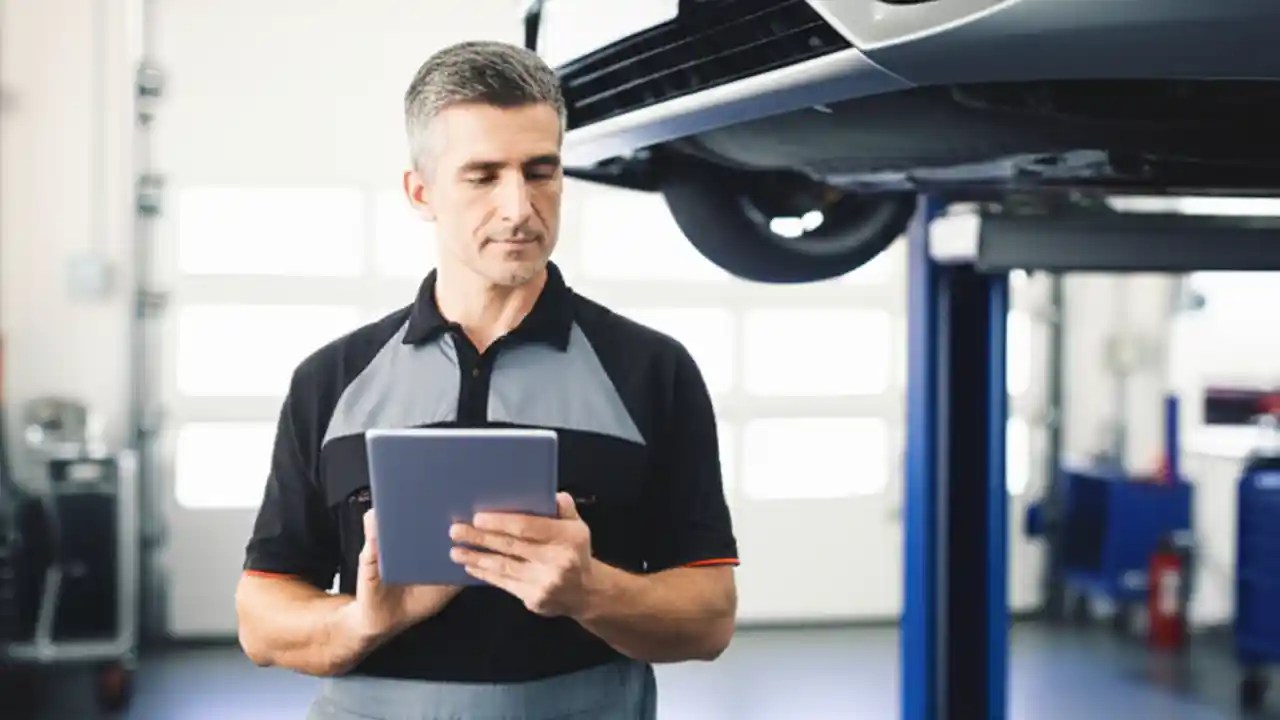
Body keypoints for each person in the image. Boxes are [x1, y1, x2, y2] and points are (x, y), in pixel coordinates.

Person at [233, 40, 740, 720]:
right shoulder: (332, 381)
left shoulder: (652, 371)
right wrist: (367, 620)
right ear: (422, 192)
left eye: (541, 171)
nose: (519, 208)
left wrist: (589, 591)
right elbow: (262, 619)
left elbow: (708, 619)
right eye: (482, 176)